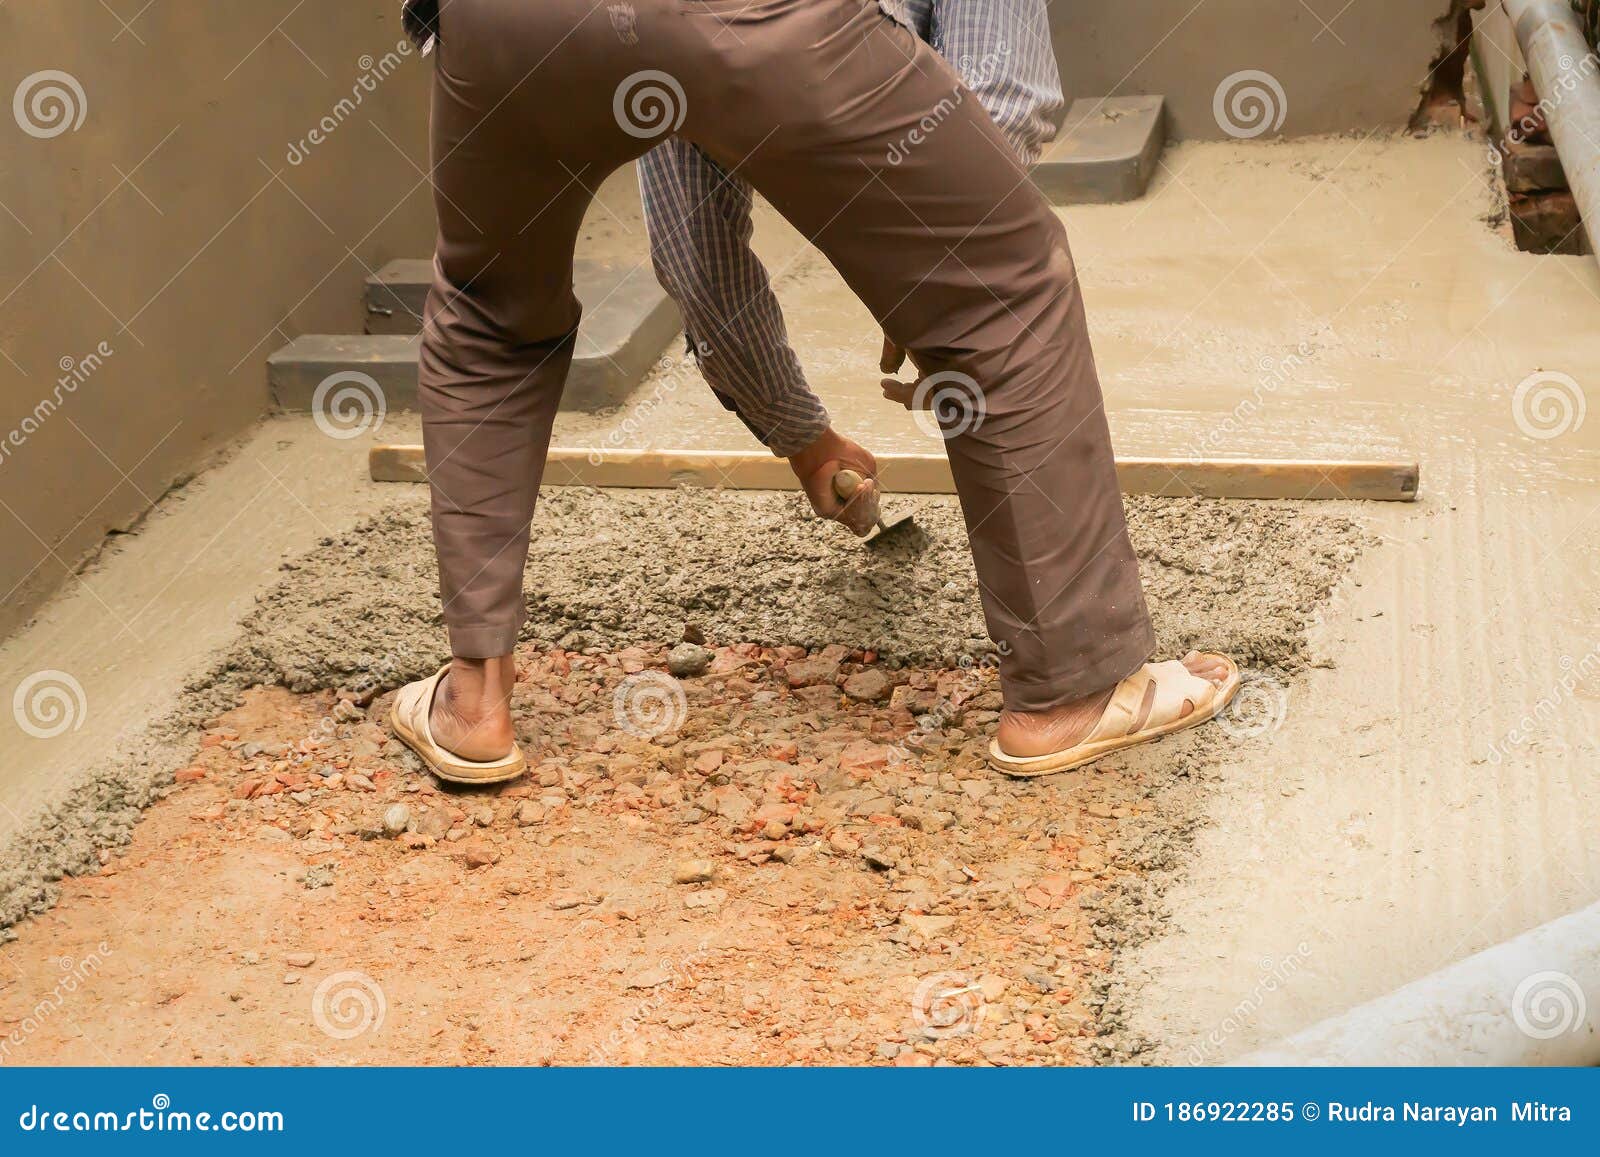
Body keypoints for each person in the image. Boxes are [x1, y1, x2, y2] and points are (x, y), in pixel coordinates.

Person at [387, 0, 1238, 788]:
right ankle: (1074, 690)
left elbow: (694, 249)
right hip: (750, 20)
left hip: (497, 25)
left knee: (487, 314)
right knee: (1003, 286)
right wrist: (931, 276)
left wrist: (804, 439)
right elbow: (998, 104)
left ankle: (474, 704)